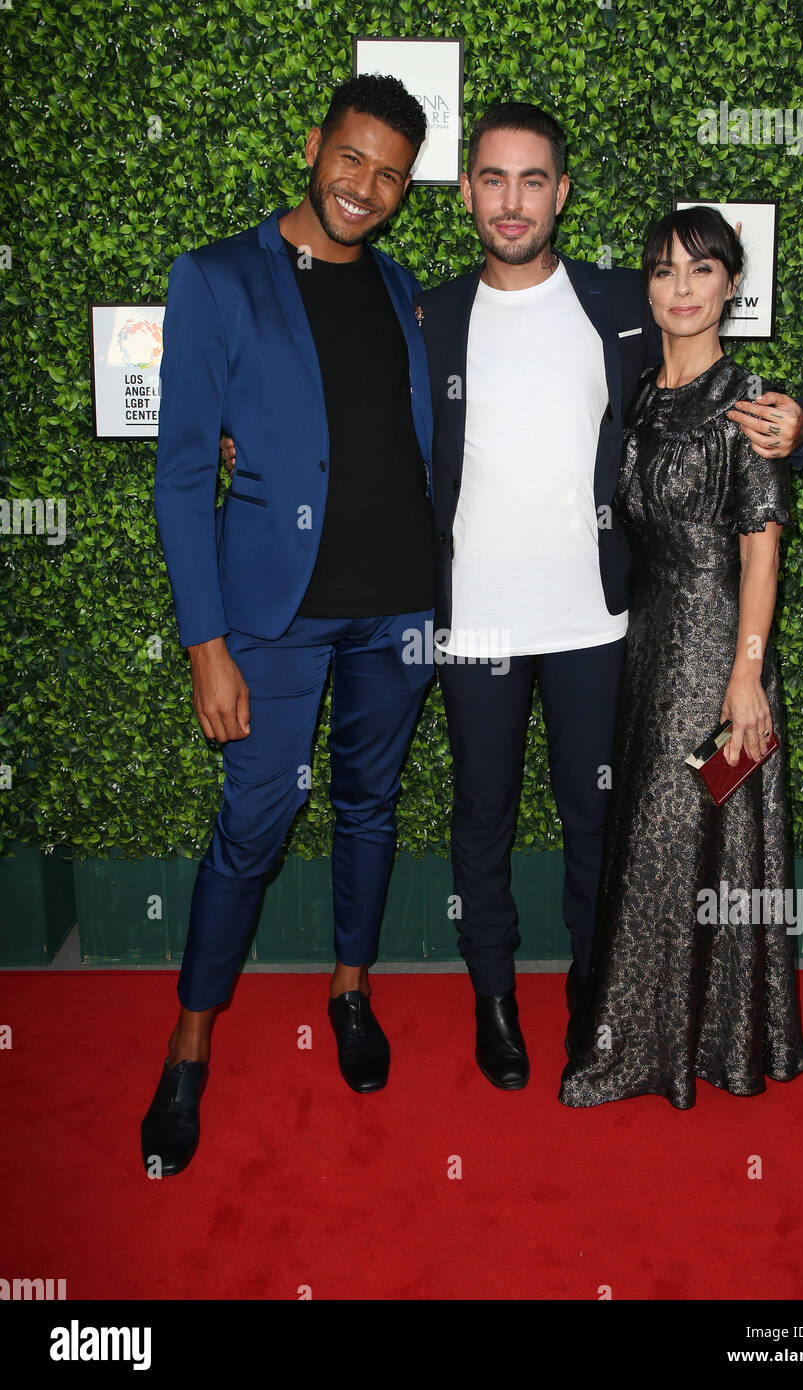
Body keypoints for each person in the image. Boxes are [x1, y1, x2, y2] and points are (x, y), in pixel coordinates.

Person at [415, 103, 803, 1090]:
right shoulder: (426, 314)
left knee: (605, 820)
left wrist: (801, 432)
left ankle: (598, 995)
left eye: (535, 179)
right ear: (468, 189)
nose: (514, 200)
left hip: (603, 625)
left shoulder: (618, 308)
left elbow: (728, 409)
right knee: (483, 818)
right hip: (474, 626)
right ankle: (495, 1000)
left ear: (562, 191)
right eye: (494, 179)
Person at [144, 75, 437, 1177]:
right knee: (252, 825)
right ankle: (189, 1041)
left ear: (409, 186)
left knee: (370, 808)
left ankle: (350, 989)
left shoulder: (406, 289)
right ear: (315, 144)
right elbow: (181, 478)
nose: (364, 186)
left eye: (390, 173)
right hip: (270, 621)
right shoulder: (218, 278)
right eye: (352, 158)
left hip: (398, 609)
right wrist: (205, 642)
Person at [559, 206, 803, 1111]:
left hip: (717, 649)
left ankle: (677, 1041)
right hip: (647, 643)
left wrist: (746, 675)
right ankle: (676, 1030)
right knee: (660, 837)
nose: (679, 289)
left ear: (731, 285)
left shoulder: (751, 405)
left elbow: (762, 548)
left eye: (700, 272)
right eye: (663, 271)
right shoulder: (637, 393)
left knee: (697, 834)